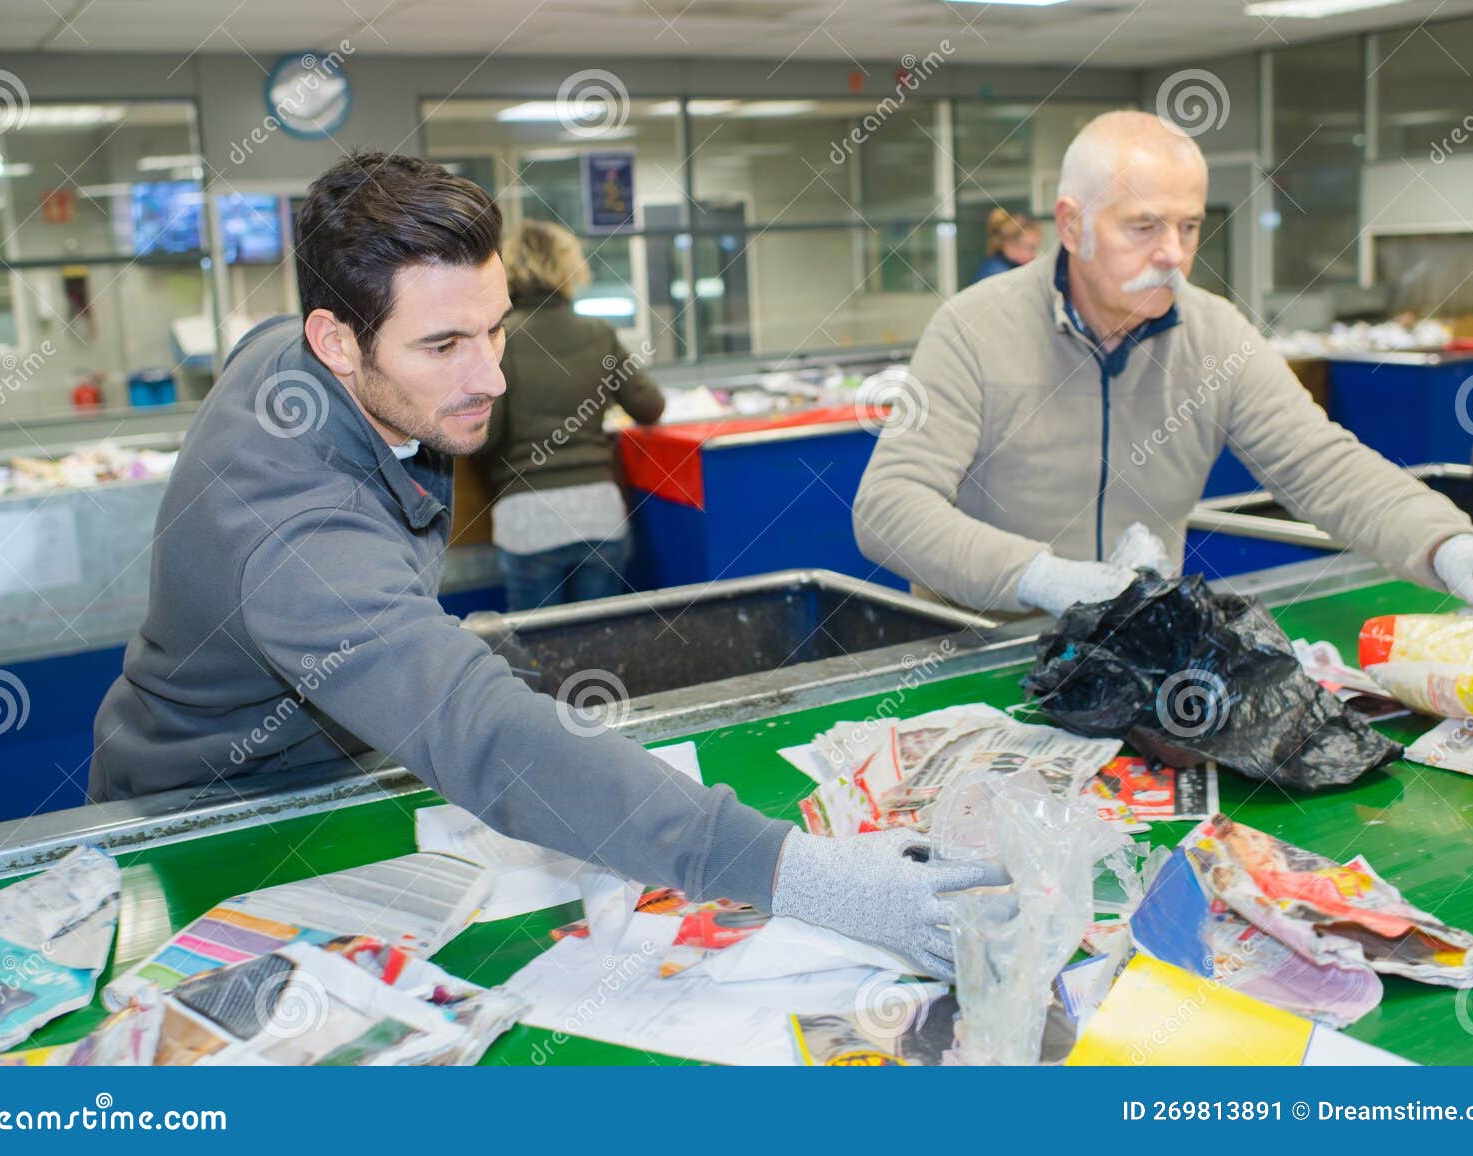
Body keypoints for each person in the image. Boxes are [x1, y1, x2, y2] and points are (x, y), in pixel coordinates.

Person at [90, 153, 986, 979]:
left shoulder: (297, 350)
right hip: (205, 821)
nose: (492, 379)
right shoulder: (297, 531)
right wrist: (803, 874)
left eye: (495, 331)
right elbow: (487, 740)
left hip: (320, 768)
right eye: (443, 347)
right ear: (334, 341)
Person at [853, 111, 1473, 621]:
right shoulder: (974, 329)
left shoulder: (1215, 334)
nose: (1174, 253)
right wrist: (1042, 578)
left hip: (1145, 648)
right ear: (1071, 225)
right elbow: (889, 509)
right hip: (980, 654)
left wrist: (1446, 544)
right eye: (1143, 227)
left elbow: (1322, 465)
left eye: (1188, 226)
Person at [482, 220, 662, 610]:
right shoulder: (600, 333)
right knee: (596, 644)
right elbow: (650, 406)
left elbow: (486, 435)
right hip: (599, 513)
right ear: (570, 269)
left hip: (529, 520)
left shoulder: (500, 340)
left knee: (534, 652)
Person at [971, 209, 1042, 284]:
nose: (1034, 255)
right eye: (1031, 248)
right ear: (1010, 244)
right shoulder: (998, 275)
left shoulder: (1000, 268)